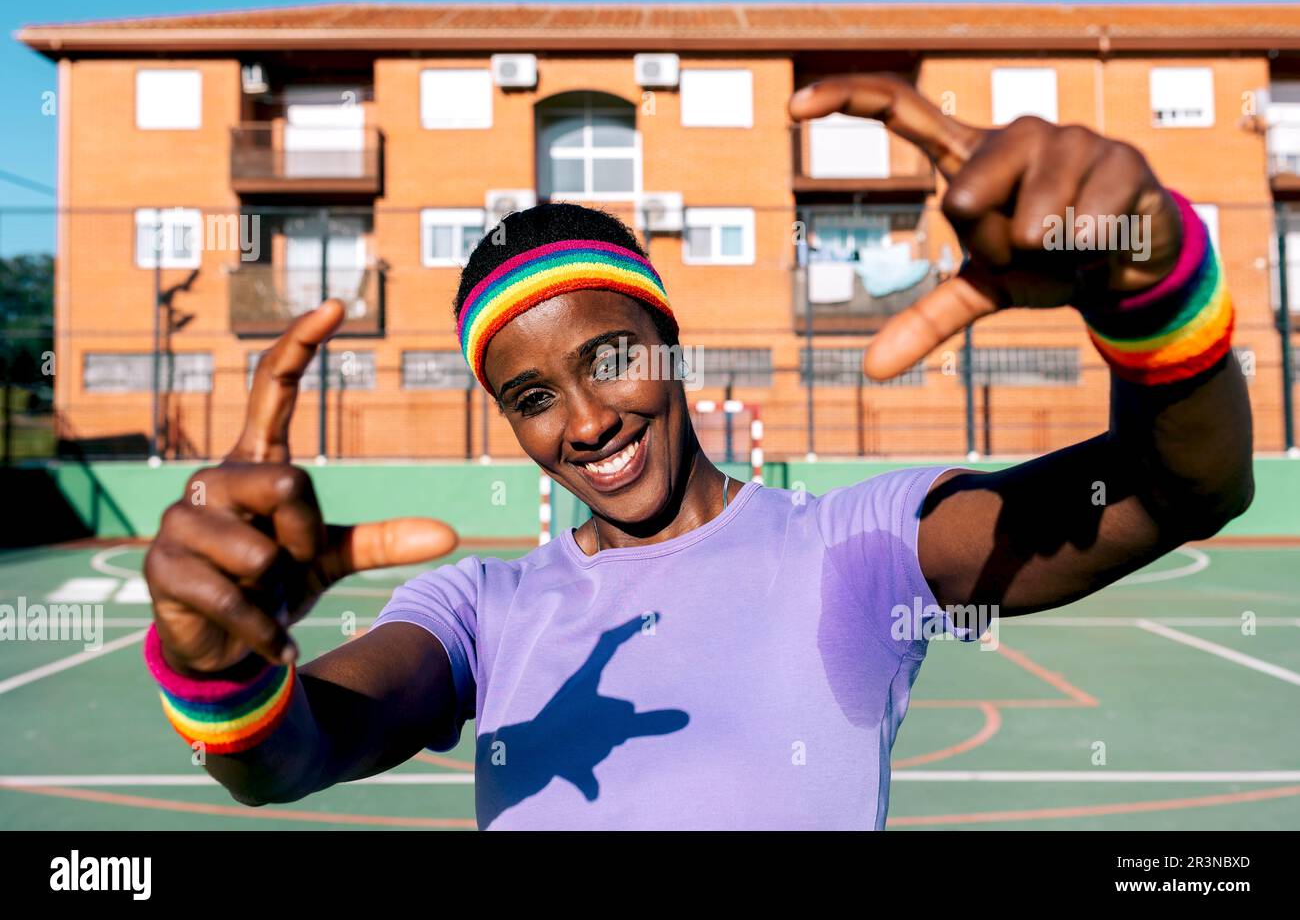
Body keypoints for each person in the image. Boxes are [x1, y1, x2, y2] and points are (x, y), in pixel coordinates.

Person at [141, 74, 1253, 830]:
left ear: (671, 346)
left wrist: (1149, 290)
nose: (585, 420)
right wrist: (220, 667)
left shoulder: (854, 550)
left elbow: (1182, 487)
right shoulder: (479, 608)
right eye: (532, 397)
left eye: (611, 357)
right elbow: (286, 758)